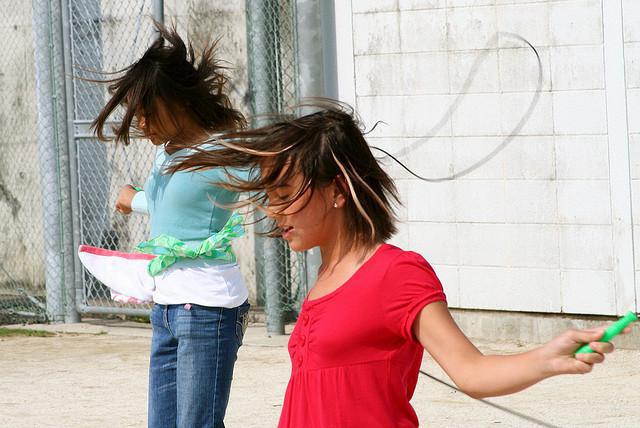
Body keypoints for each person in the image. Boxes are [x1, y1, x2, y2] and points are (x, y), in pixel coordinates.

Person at [171, 101, 635, 427]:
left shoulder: (398, 273)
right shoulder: (323, 278)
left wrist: (544, 359)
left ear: (336, 190)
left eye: (285, 196)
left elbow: (470, 372)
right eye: (269, 198)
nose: (273, 212)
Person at [88, 24, 249, 428]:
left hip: (208, 308)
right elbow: (173, 206)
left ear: (173, 101)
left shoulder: (224, 152)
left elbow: (276, 180)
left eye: (145, 111)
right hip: (167, 307)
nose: (140, 124)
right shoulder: (167, 151)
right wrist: (135, 199)